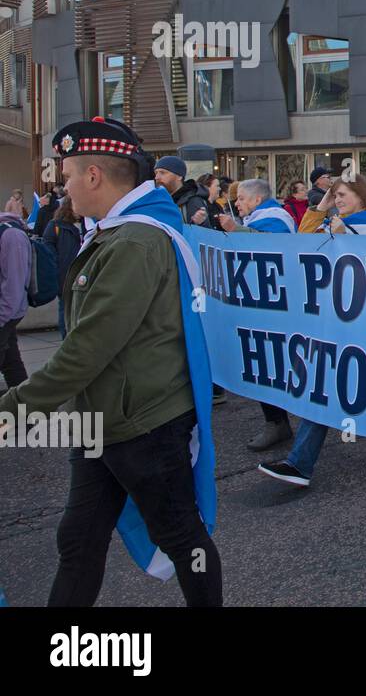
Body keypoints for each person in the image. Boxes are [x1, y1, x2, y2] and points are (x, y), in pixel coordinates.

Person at [0, 117, 222, 605]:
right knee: (78, 540)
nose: (64, 190)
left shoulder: (134, 242)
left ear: (94, 175)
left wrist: (11, 410)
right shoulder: (115, 234)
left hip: (143, 425)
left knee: (184, 539)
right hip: (105, 423)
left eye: (68, 178)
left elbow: (86, 349)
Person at [259, 176, 366, 485]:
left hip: (364, 319)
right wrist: (321, 207)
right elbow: (302, 242)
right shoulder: (341, 221)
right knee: (343, 382)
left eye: (341, 194)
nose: (337, 200)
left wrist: (340, 231)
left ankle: (301, 463)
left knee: (329, 382)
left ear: (361, 195)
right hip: (343, 317)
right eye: (334, 195)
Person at [217, 178, 298, 451]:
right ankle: (276, 422)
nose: (237, 203)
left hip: (274, 308)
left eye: (241, 198)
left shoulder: (276, 219)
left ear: (257, 200)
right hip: (260, 305)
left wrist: (236, 231)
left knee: (270, 364)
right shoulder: (258, 219)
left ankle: (278, 423)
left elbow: (271, 247)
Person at [41, 196, 85, 338]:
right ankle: (66, 336)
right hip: (64, 274)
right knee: (65, 307)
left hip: (78, 273)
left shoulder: (82, 225)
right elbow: (49, 250)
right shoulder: (55, 226)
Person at [0, 195, 31, 392]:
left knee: (11, 363)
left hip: (5, 314)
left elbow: (14, 285)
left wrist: (2, 318)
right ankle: (28, 415)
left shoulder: (11, 235)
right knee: (12, 364)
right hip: (5, 315)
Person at [153, 156, 208, 226]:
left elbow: (204, 233)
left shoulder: (193, 201)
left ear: (179, 176)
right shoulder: (158, 200)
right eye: (156, 173)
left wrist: (199, 223)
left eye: (163, 173)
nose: (156, 177)